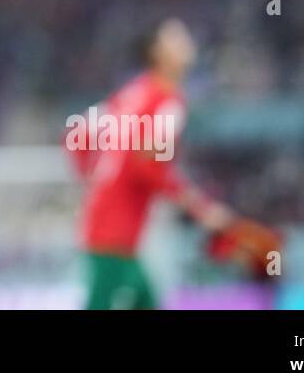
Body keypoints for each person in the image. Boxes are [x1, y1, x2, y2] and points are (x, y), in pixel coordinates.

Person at [67, 17, 234, 309]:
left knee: (144, 300)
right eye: (176, 37)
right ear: (158, 52)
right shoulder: (168, 101)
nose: (186, 41)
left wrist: (95, 178)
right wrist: (201, 208)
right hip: (115, 231)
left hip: (106, 221)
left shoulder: (133, 93)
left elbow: (77, 135)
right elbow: (148, 166)